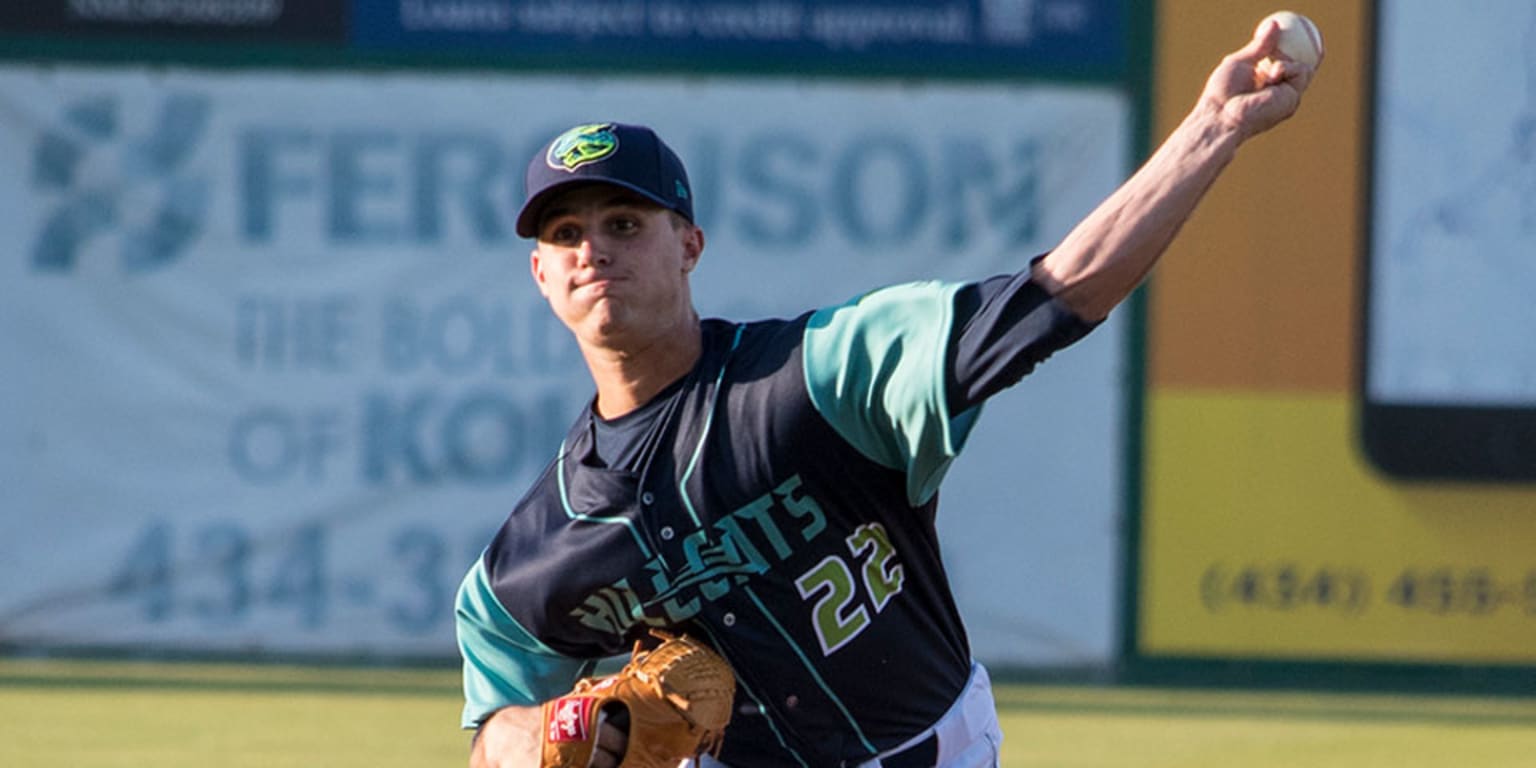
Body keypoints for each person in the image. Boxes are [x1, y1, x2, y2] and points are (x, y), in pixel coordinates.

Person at [457, 18, 1316, 768]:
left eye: (624, 223)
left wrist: (1214, 127)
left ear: (689, 245)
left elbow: (1056, 295)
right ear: (540, 274)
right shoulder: (541, 548)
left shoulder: (816, 377)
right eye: (565, 233)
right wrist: (558, 733)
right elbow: (492, 731)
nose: (593, 251)